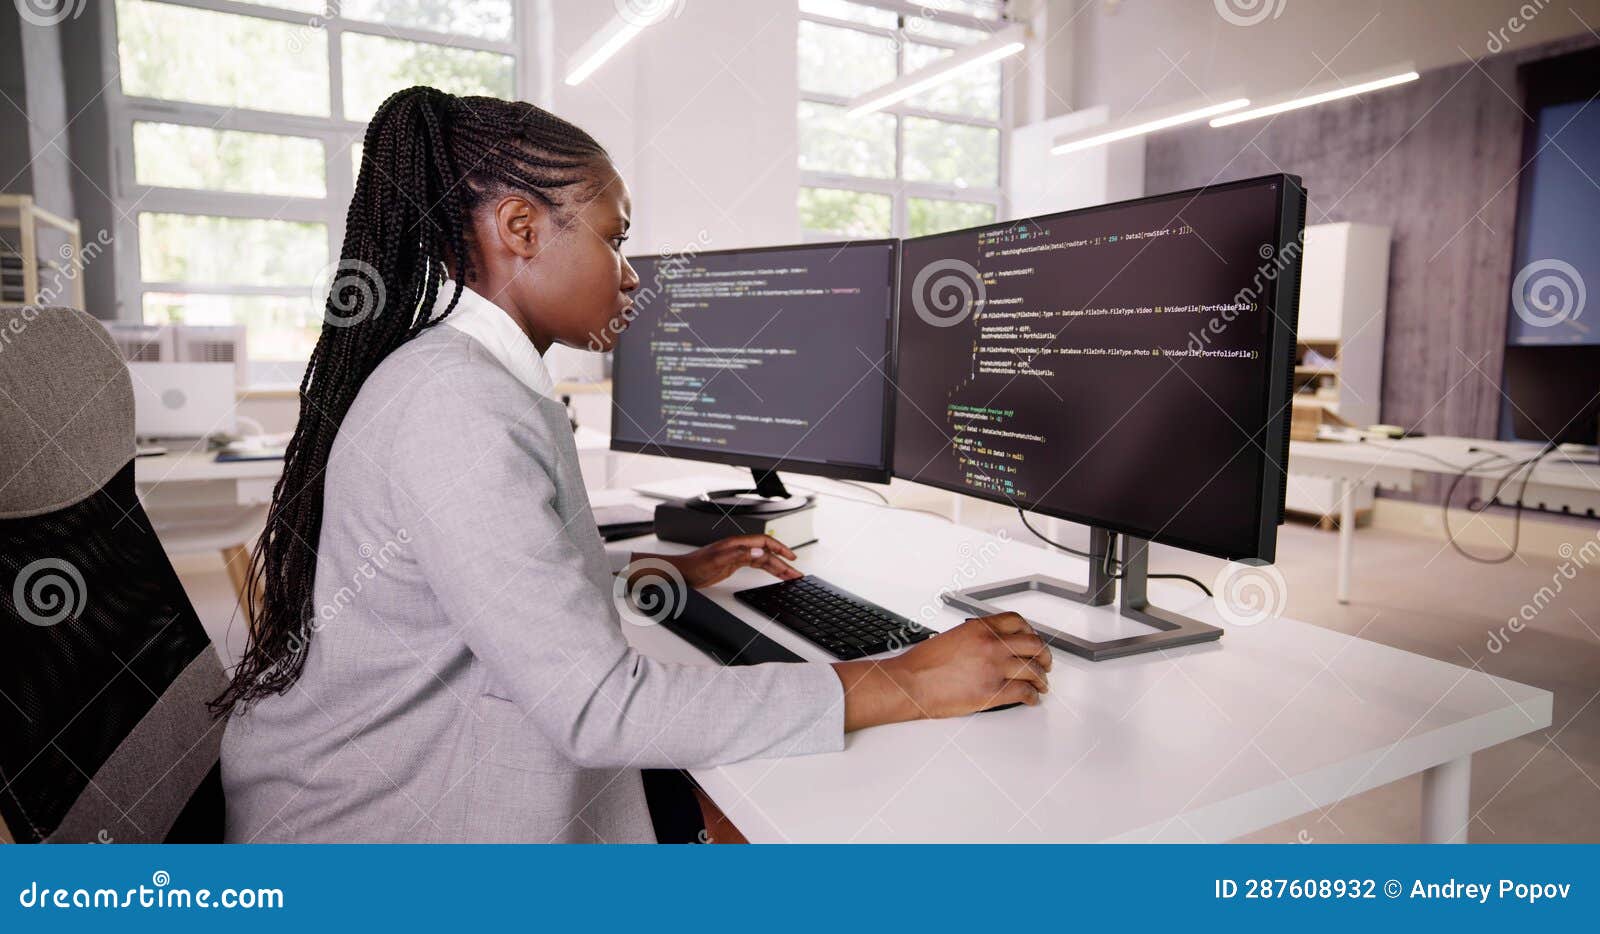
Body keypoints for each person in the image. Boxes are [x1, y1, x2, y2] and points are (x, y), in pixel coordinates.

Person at [217, 87, 1051, 844]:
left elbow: (480, 595)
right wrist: (903, 682)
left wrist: (651, 574)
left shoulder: (461, 377)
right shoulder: (455, 405)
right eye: (616, 239)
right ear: (520, 229)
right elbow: (597, 707)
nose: (631, 273)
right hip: (380, 829)